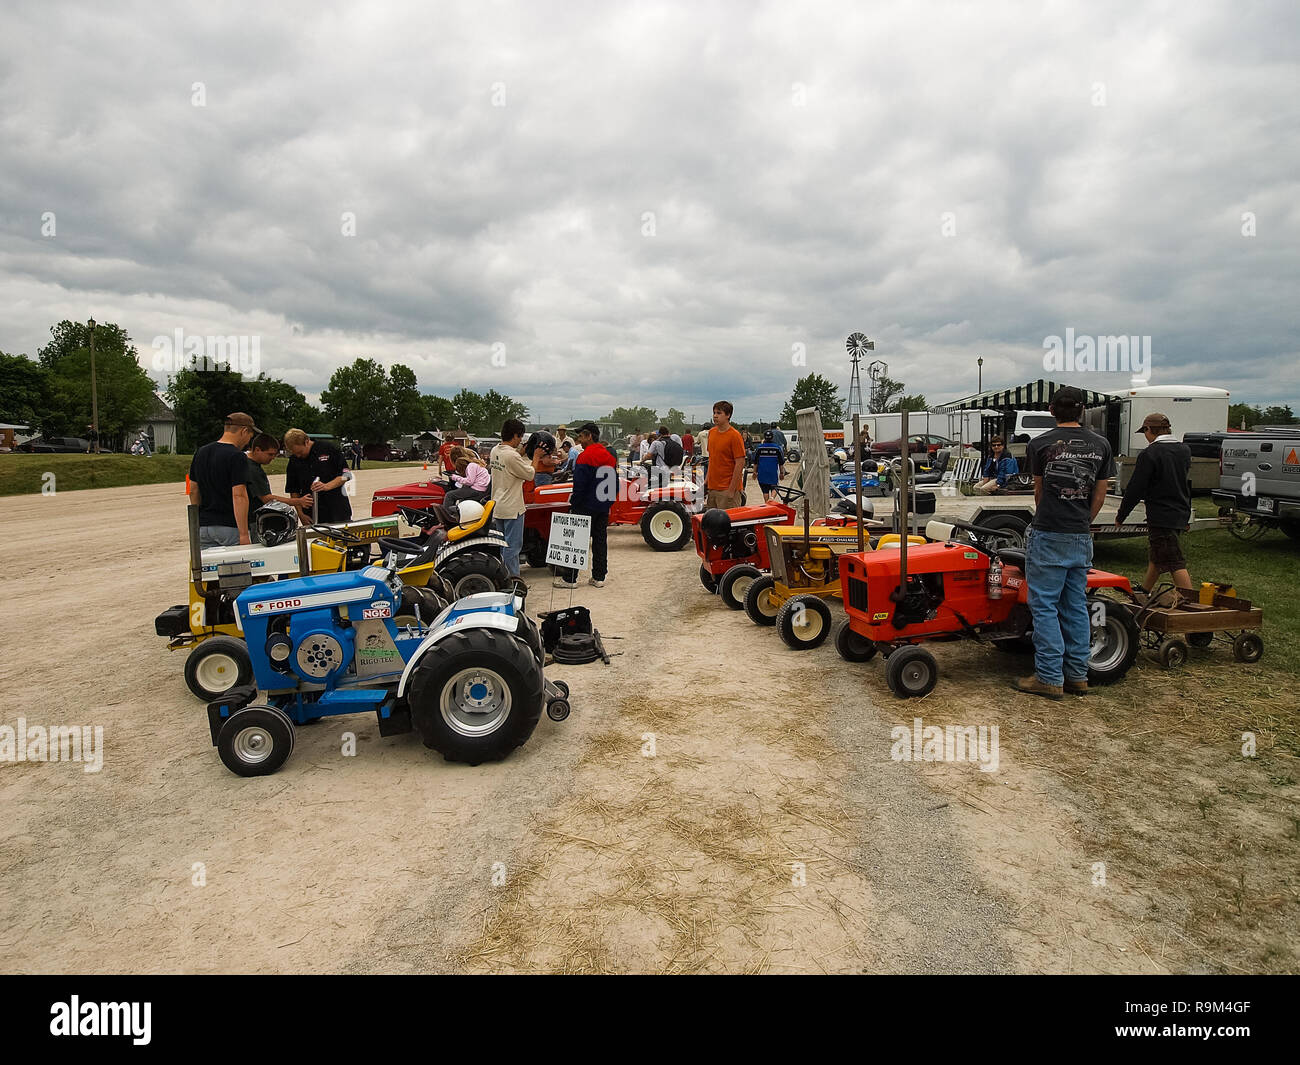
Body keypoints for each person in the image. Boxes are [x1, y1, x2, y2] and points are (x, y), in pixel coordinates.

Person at [1018, 386, 1113, 700]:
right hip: (1080, 534)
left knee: (1044, 607)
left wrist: (1048, 518)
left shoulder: (1041, 443)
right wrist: (1084, 520)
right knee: (1074, 607)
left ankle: (1048, 677)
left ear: (1051, 409)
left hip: (1049, 531)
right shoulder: (1101, 444)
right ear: (1082, 409)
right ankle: (1077, 675)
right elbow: (1100, 493)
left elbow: (1039, 490)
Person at [1114, 413, 1194, 598]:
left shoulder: (1150, 453)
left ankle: (1192, 603)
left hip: (1161, 513)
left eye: (1145, 432)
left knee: (1174, 561)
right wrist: (1187, 514)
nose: (1145, 436)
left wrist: (1122, 515)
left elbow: (1136, 487)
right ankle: (1144, 591)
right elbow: (1185, 483)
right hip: (1179, 510)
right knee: (1158, 554)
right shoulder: (1184, 450)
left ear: (1149, 430)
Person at [555, 423, 617, 589]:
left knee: (576, 541)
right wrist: (608, 503)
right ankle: (599, 576)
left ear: (589, 436)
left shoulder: (584, 456)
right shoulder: (609, 456)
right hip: (603, 505)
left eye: (581, 436)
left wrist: (574, 503)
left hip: (585, 505)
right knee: (600, 540)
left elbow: (580, 485)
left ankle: (570, 579)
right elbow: (614, 484)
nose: (579, 440)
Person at [189, 412, 260, 548]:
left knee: (208, 568)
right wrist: (244, 534)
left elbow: (192, 489)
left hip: (204, 527)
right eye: (250, 437)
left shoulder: (200, 452)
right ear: (244, 431)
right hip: (229, 526)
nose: (248, 442)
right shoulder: (237, 456)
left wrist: (200, 519)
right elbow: (239, 495)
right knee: (237, 567)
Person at [489, 418, 545, 576]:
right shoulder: (512, 456)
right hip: (512, 508)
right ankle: (513, 580)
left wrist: (520, 453)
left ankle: (503, 576)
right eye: (520, 437)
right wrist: (536, 457)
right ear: (514, 435)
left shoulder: (495, 451)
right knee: (513, 547)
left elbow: (510, 466)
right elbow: (530, 474)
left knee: (502, 546)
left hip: (498, 505)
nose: (520, 441)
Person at [284, 428, 352, 524]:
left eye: (300, 452)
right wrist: (301, 514)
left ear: (306, 441)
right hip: (311, 514)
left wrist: (326, 486)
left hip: (337, 510)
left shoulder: (328, 449)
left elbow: (347, 475)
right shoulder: (294, 460)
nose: (298, 456)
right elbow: (293, 490)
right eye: (295, 454)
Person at [705, 401, 747, 509]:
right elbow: (712, 459)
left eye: (719, 413)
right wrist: (706, 482)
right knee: (712, 524)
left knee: (727, 524)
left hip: (727, 490)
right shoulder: (711, 433)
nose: (715, 416)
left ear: (728, 415)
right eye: (714, 412)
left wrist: (731, 490)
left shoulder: (735, 436)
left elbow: (740, 463)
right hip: (712, 489)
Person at [754, 430, 786, 501]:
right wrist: (781, 473)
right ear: (772, 438)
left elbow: (755, 462)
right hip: (773, 473)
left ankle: (767, 503)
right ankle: (772, 498)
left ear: (764, 438)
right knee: (775, 486)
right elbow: (781, 463)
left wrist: (754, 472)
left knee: (765, 490)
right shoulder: (777, 448)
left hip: (762, 473)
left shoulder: (759, 448)